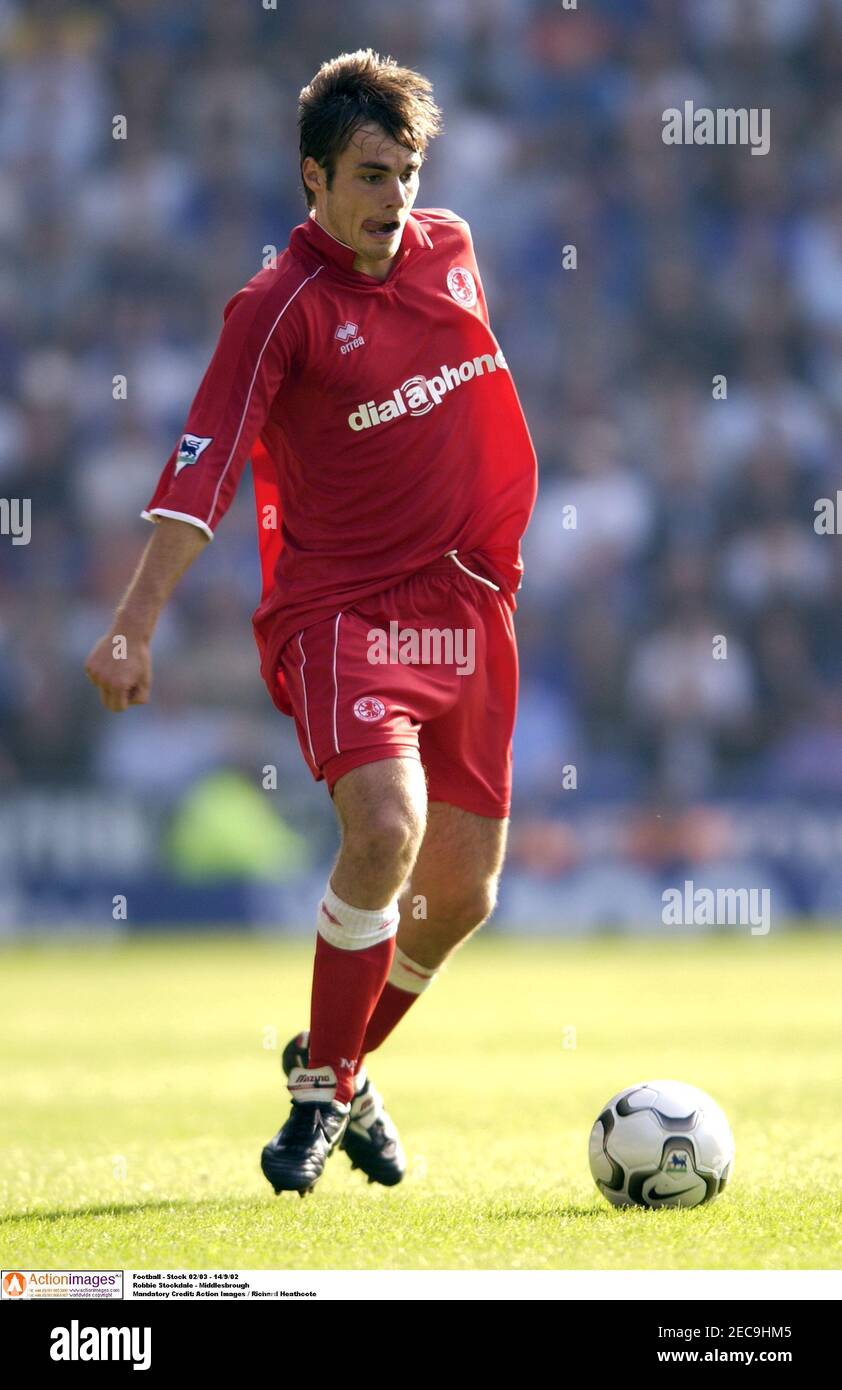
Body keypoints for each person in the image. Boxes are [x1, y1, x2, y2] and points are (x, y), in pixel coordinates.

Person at [84, 48, 538, 1198]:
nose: (396, 199)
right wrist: (133, 625)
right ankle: (320, 1098)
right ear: (315, 180)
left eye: (408, 172)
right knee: (383, 829)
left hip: (470, 607)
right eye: (372, 175)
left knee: (464, 894)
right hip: (343, 613)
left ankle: (331, 1067)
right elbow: (201, 469)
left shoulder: (451, 250)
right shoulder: (275, 306)